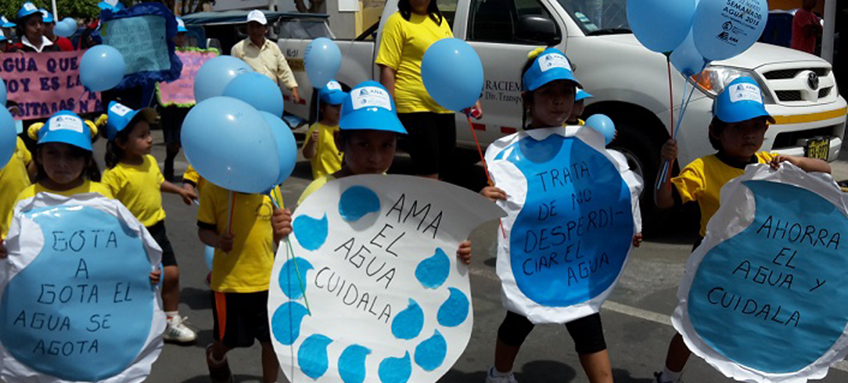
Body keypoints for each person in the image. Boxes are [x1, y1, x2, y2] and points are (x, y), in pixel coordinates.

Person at [652, 77, 831, 383]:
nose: (750, 134)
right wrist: (665, 165)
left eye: (757, 126)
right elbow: (663, 200)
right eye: (738, 127)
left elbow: (824, 170)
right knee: (693, 325)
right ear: (716, 131)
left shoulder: (768, 163)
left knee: (756, 324)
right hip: (714, 261)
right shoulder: (703, 169)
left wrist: (795, 161)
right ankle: (668, 378)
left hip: (756, 264)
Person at [480, 48, 642, 383]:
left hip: (578, 266)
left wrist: (632, 225)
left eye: (566, 92)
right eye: (548, 92)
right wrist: (484, 198)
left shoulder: (588, 144)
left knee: (588, 324)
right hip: (535, 263)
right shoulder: (507, 154)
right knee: (518, 321)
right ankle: (499, 374)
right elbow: (490, 208)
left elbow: (616, 190)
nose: (558, 101)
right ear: (528, 99)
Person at [0, 111, 160, 287]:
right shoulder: (28, 198)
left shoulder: (101, 195)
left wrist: (145, 267)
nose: (62, 163)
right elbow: (10, 243)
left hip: (91, 290)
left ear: (87, 160)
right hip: (44, 291)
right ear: (39, 156)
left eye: (73, 155)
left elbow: (123, 243)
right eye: (53, 153)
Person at [99, 102, 198, 343]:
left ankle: (171, 321)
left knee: (171, 274)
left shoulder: (150, 162)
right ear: (121, 143)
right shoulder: (114, 175)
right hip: (131, 237)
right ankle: (133, 324)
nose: (150, 139)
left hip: (157, 229)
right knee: (141, 281)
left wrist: (180, 190)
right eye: (142, 135)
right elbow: (103, 207)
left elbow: (157, 182)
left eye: (149, 133)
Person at [198, 164, 291, 383]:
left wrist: (283, 230)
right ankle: (215, 356)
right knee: (227, 341)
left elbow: (278, 237)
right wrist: (218, 241)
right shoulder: (214, 188)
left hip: (267, 282)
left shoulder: (271, 189)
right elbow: (204, 230)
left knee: (272, 342)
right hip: (230, 284)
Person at [376, 0, 482, 180]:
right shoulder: (397, 22)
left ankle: (438, 198)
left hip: (443, 105)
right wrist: (388, 109)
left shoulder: (440, 22)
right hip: (413, 105)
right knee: (428, 169)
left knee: (446, 168)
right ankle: (427, 198)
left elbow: (452, 62)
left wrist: (471, 96)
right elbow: (387, 67)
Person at [231, 10, 300, 105]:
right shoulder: (238, 49)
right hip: (250, 99)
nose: (255, 30)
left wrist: (294, 89)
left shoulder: (273, 47)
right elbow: (235, 78)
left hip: (272, 96)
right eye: (252, 26)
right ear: (247, 28)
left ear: (266, 29)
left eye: (258, 26)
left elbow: (284, 69)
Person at [158, 16, 192, 181]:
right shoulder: (162, 56)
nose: (180, 38)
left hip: (188, 104)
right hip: (170, 106)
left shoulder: (192, 56)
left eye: (182, 34)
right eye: (177, 34)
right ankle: (169, 161)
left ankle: (195, 174)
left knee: (190, 139)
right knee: (173, 142)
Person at [302, 79, 346, 179]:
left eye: (341, 105)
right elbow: (308, 155)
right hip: (324, 181)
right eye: (334, 106)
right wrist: (311, 142)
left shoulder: (344, 126)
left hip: (343, 179)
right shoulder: (316, 129)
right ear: (321, 108)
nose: (339, 109)